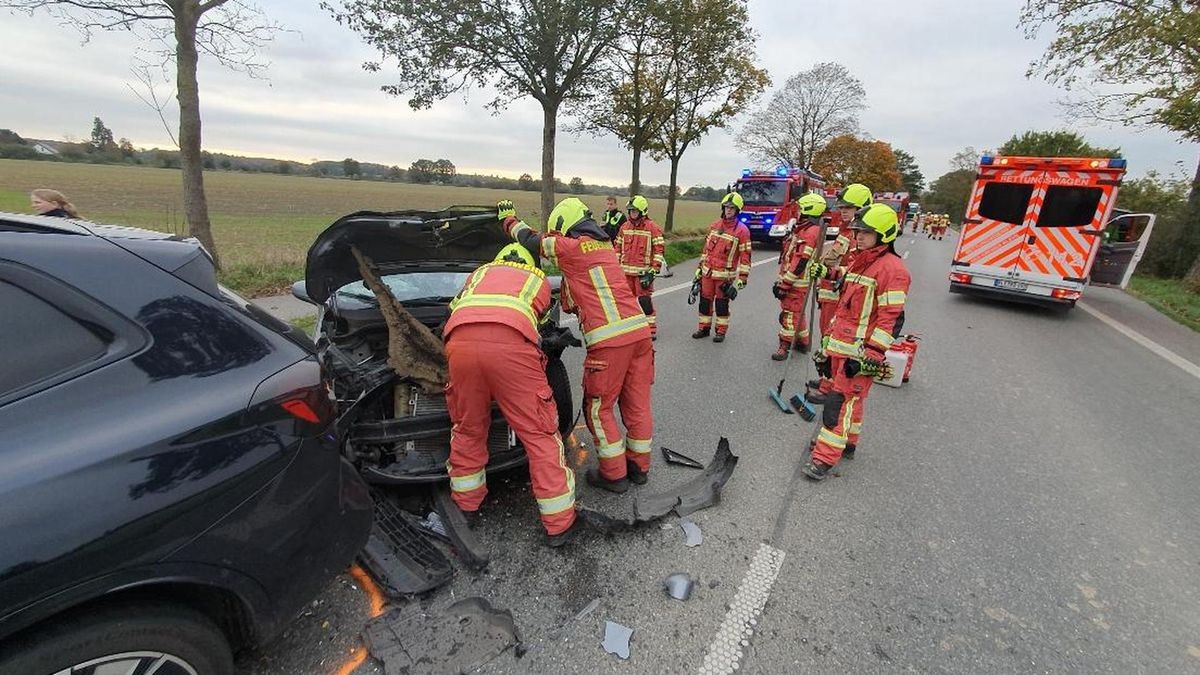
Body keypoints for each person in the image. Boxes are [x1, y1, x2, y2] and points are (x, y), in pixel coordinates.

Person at [501, 197, 656, 494]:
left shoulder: (572, 247)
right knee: (636, 404)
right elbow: (575, 300)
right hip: (639, 334)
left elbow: (532, 241)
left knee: (599, 409)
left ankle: (614, 475)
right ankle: (638, 467)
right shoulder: (604, 246)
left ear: (564, 228)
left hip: (609, 342)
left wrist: (508, 220)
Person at [442, 244, 579, 546]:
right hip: (511, 348)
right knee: (540, 434)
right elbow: (541, 328)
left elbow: (453, 310)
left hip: (460, 345)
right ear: (528, 262)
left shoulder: (478, 274)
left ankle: (466, 507)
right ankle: (559, 524)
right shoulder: (536, 278)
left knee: (468, 428)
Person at [803, 204, 910, 480]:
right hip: (842, 345)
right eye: (858, 231)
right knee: (854, 401)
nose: (858, 236)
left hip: (860, 353)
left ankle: (824, 458)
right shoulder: (862, 260)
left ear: (883, 235)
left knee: (839, 403)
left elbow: (890, 319)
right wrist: (826, 273)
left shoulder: (893, 270)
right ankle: (848, 442)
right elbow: (844, 284)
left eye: (866, 233)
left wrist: (871, 356)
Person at [807, 183, 872, 403]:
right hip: (829, 294)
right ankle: (827, 380)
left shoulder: (859, 237)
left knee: (832, 343)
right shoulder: (847, 231)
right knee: (827, 340)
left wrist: (828, 271)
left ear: (862, 209)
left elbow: (852, 270)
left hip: (840, 298)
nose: (843, 211)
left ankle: (830, 388)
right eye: (842, 207)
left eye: (849, 208)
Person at [771, 193, 825, 360]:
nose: (798, 212)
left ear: (809, 210)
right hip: (796, 280)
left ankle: (784, 346)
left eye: (801, 209)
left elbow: (801, 261)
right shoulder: (807, 228)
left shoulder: (809, 232)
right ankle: (803, 341)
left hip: (796, 282)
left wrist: (785, 284)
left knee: (788, 314)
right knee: (797, 313)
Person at [692, 193, 752, 343]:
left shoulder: (742, 231)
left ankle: (720, 331)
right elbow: (706, 250)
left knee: (721, 304)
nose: (728, 210)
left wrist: (743, 278)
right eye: (726, 207)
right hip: (708, 273)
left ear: (737, 210)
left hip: (724, 276)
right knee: (704, 302)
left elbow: (746, 256)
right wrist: (700, 268)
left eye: (732, 208)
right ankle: (704, 328)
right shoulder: (714, 225)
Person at [614, 194, 665, 340]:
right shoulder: (624, 227)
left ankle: (650, 329)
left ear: (642, 212)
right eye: (630, 211)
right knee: (625, 303)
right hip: (625, 273)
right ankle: (630, 328)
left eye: (635, 211)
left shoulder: (653, 228)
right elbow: (617, 248)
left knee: (644, 301)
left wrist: (653, 270)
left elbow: (659, 250)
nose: (632, 214)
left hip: (643, 273)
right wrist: (615, 268)